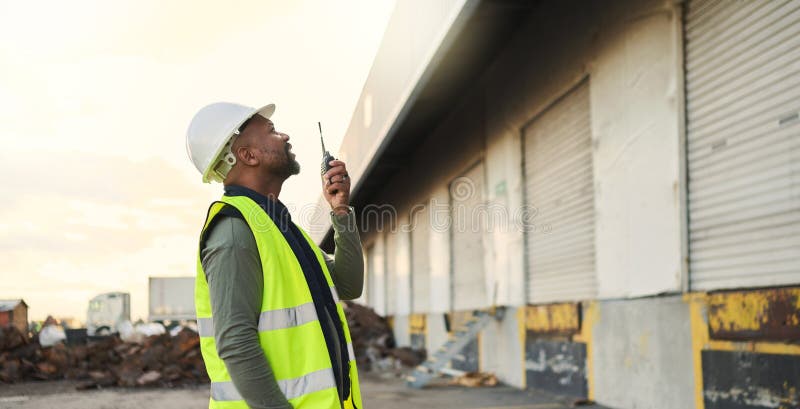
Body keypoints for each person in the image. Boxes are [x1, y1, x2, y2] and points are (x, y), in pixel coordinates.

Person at [186, 102, 364, 409]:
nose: (284, 136)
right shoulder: (234, 231)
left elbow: (349, 285)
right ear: (248, 155)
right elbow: (236, 344)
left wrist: (340, 210)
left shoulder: (279, 228)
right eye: (271, 132)